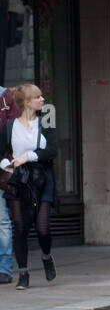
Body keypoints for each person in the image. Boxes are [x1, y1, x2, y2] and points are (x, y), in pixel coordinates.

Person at [1, 84, 58, 289]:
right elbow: (2, 152)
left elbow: (52, 151)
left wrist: (27, 156)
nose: (42, 100)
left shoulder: (46, 124)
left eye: (42, 97)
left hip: (42, 178)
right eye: (38, 97)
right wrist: (6, 166)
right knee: (20, 227)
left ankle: (46, 256)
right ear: (26, 102)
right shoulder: (9, 126)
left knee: (42, 227)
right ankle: (23, 274)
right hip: (19, 181)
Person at [0, 85, 16, 283]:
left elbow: (12, 131)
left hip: (1, 167)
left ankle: (4, 268)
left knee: (2, 219)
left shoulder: (5, 96)